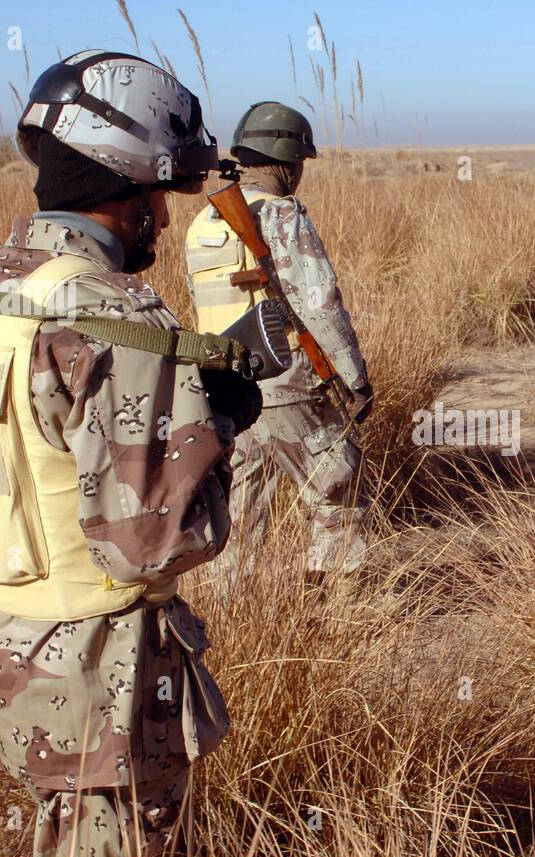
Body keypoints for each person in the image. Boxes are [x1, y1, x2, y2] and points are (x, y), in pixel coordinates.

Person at [0, 51, 255, 857]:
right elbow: (156, 540)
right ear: (129, 182)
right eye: (158, 197)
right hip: (102, 671)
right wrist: (219, 424)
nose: (163, 221)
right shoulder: (115, 310)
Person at [186, 101, 373, 580]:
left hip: (225, 387)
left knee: (238, 518)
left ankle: (234, 618)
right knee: (338, 498)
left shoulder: (203, 224)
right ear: (287, 163)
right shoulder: (283, 214)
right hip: (290, 384)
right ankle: (342, 612)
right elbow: (321, 303)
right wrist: (354, 377)